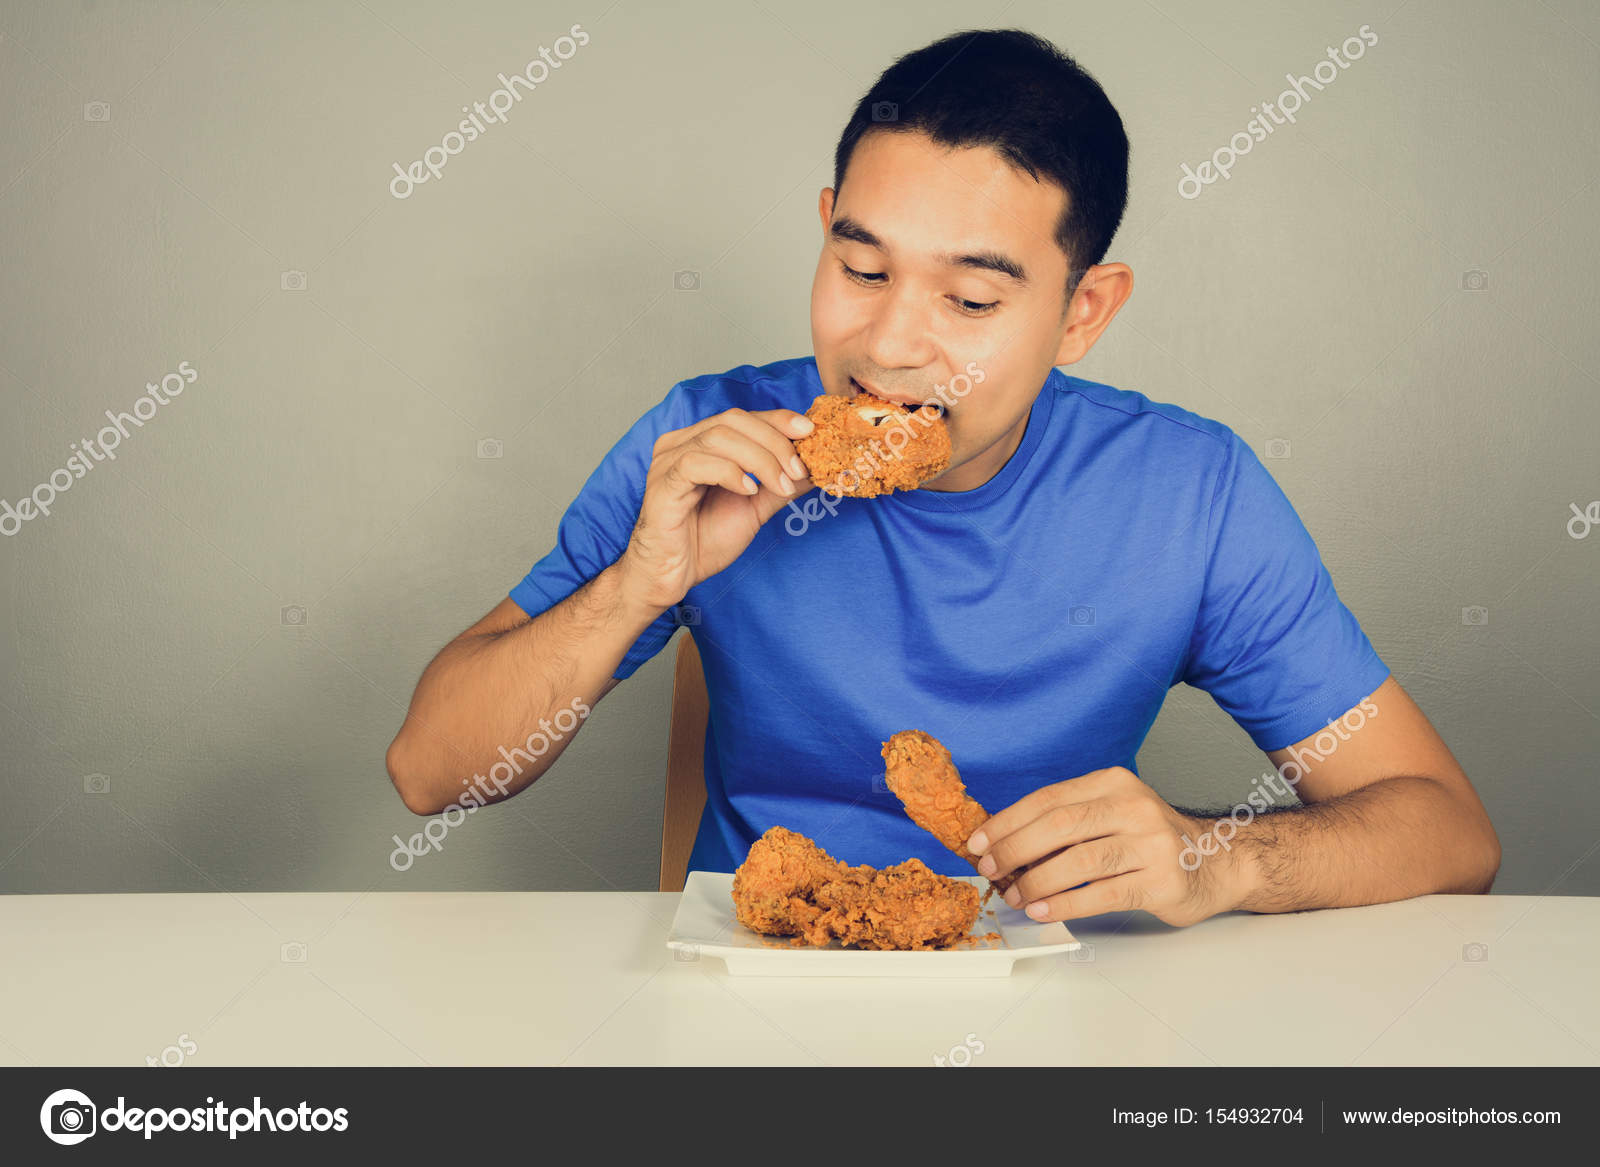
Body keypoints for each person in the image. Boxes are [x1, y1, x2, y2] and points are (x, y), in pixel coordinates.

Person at [386, 29, 1499, 927]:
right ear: (825, 233)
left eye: (969, 301)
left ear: (1084, 312)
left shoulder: (1190, 494)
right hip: (759, 992)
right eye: (860, 268)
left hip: (1058, 1004)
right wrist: (640, 582)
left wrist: (1220, 861)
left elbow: (1448, 832)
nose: (888, 344)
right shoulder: (706, 438)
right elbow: (429, 773)